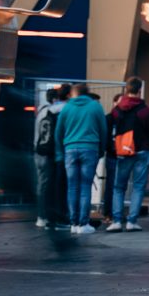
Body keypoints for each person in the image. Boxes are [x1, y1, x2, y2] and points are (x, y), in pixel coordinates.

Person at [54, 82, 106, 234]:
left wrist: (60, 152)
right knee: (85, 186)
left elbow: (58, 132)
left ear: (74, 93)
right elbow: (103, 130)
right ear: (87, 92)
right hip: (90, 149)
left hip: (70, 149)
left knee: (72, 187)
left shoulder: (67, 107)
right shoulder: (95, 107)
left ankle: (73, 223)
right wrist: (101, 149)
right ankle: (83, 223)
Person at [107, 77, 149, 231]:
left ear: (126, 90)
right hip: (142, 150)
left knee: (118, 187)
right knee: (138, 186)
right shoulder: (145, 110)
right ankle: (132, 221)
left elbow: (110, 126)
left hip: (123, 151)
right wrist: (146, 144)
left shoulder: (117, 109)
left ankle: (116, 220)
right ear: (139, 91)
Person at [32, 84, 66, 229]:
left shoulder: (41, 111)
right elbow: (62, 108)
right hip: (48, 153)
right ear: (55, 99)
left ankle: (42, 215)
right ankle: (43, 216)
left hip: (38, 151)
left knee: (42, 184)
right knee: (46, 185)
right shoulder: (52, 110)